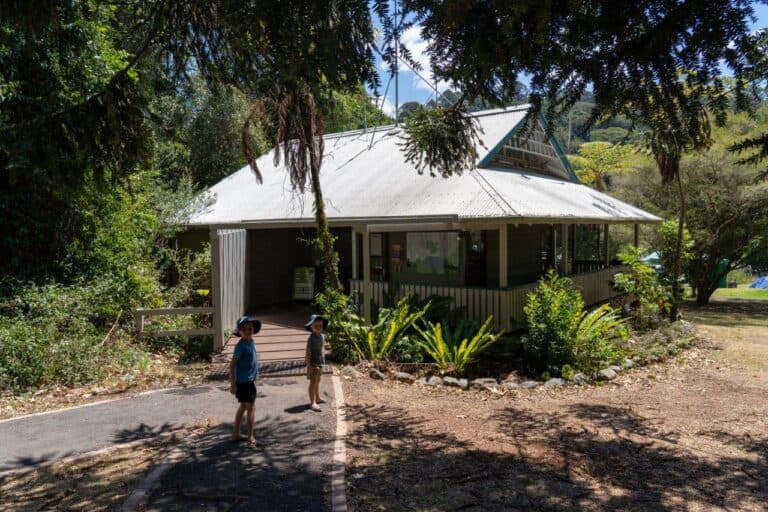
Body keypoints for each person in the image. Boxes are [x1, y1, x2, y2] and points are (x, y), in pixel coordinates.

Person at [229, 315, 261, 447]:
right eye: (244, 329)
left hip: (249, 380)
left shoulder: (251, 342)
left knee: (243, 406)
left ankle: (236, 433)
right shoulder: (240, 346)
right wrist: (233, 383)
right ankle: (250, 437)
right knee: (251, 408)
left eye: (250, 328)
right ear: (240, 331)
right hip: (244, 382)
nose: (248, 331)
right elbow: (232, 365)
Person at [304, 314, 327, 412]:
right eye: (316, 326)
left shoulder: (322, 336)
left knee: (317, 380)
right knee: (313, 382)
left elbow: (321, 348)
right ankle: (312, 402)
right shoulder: (311, 339)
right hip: (313, 364)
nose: (318, 327)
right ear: (311, 327)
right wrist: (309, 365)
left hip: (320, 363)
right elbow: (308, 352)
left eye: (320, 325)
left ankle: (317, 397)